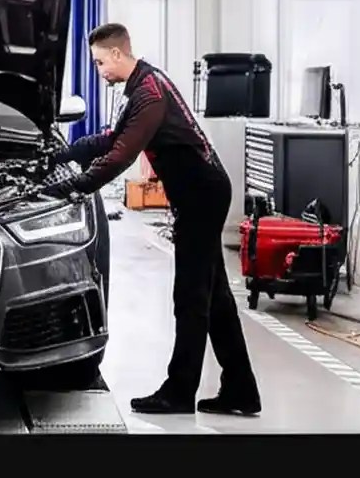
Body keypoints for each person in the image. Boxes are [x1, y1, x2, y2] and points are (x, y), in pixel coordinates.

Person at [39, 23, 261, 417]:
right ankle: (241, 389)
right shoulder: (142, 87)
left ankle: (179, 392)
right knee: (217, 300)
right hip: (199, 195)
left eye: (99, 61)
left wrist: (70, 188)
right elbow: (110, 139)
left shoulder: (149, 93)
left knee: (190, 298)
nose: (99, 69)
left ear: (119, 55)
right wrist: (62, 155)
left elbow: (121, 156)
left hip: (202, 197)